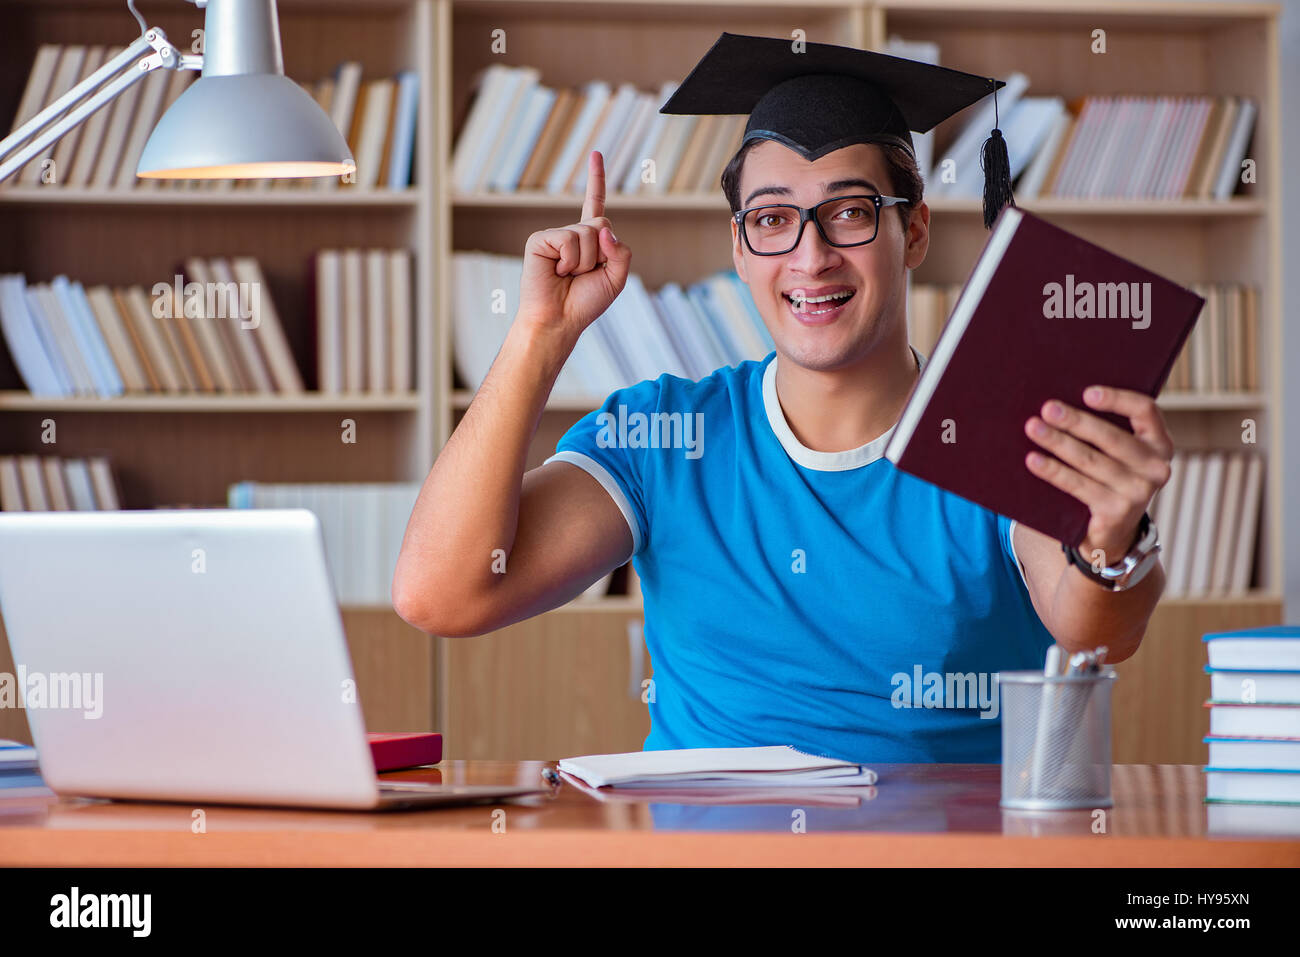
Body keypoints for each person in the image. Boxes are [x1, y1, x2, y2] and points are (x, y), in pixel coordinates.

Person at [393, 34, 1172, 762]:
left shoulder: (1000, 428)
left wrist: (1111, 539)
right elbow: (442, 593)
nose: (811, 254)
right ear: (739, 247)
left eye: (850, 212)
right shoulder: (666, 437)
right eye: (772, 219)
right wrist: (539, 335)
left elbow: (1093, 627)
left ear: (916, 232)